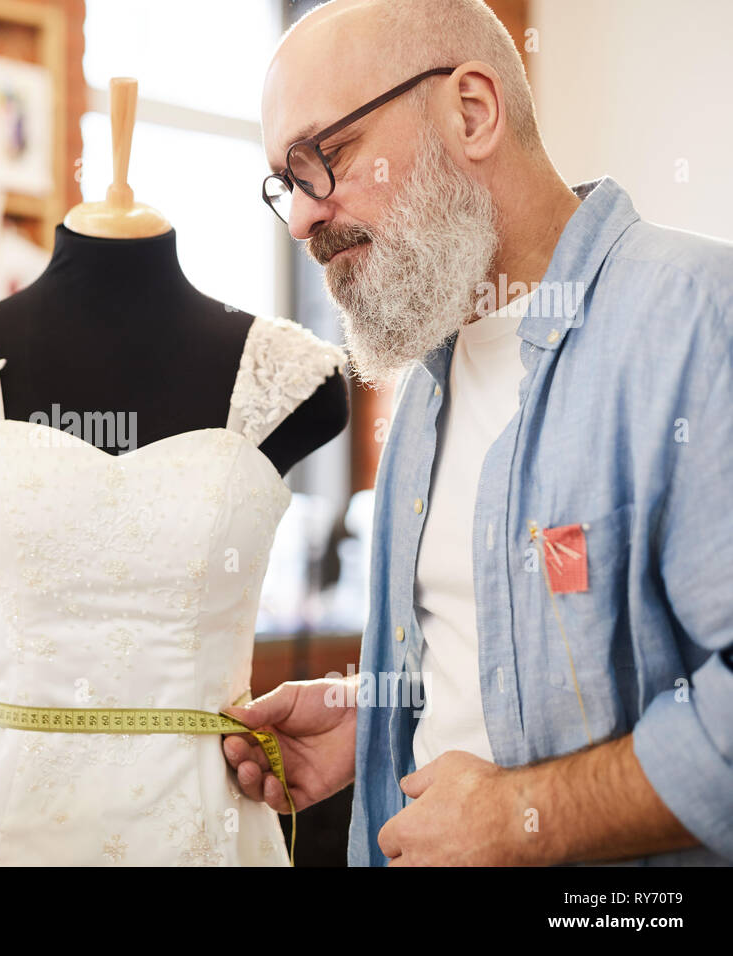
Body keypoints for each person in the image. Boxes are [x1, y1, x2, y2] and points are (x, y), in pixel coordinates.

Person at [225, 0, 732, 865]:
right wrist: (373, 714)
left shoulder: (696, 321)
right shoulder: (425, 384)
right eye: (287, 182)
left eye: (327, 156)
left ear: (472, 111)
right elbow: (488, 662)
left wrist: (525, 817)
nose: (305, 219)